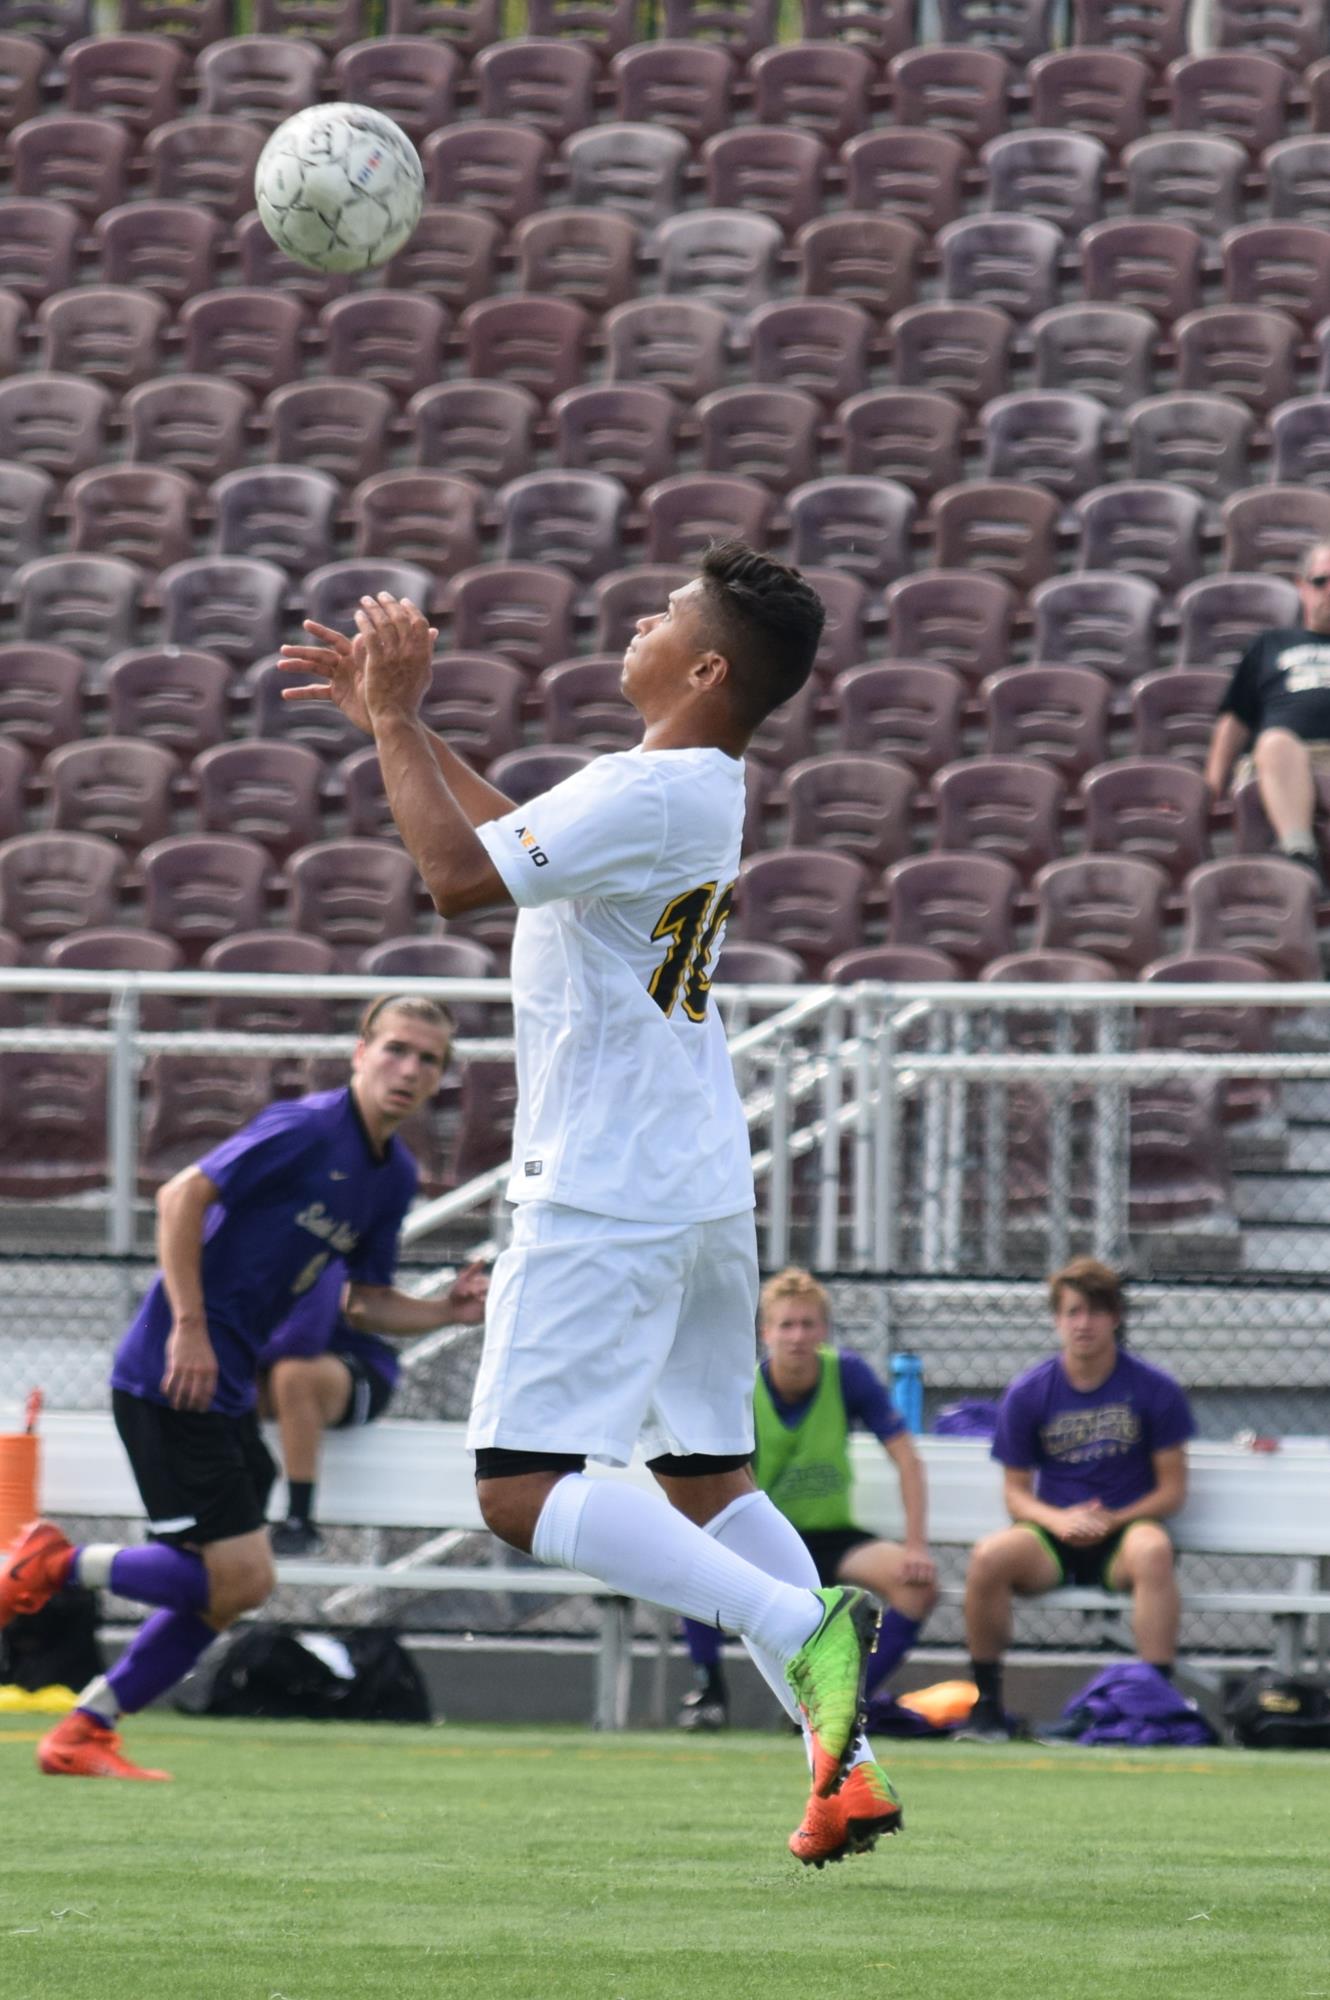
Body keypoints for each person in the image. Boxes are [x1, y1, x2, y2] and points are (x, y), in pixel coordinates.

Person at [275, 550, 902, 1869]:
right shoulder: (691, 787)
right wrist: (409, 730)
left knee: (515, 1491)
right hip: (694, 1182)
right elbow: (517, 846)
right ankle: (845, 1763)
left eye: (663, 615)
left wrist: (394, 720)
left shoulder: (644, 785)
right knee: (707, 1482)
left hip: (607, 1184)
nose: (639, 621)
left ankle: (798, 1629)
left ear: (708, 667)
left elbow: (455, 882)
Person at [0, 996, 487, 1780]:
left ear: (440, 1081)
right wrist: (188, 1325)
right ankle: (51, 1565)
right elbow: (179, 1196)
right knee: (246, 1577)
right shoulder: (306, 1128)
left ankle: (84, 1729)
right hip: (172, 1374)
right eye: (396, 1049)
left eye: (429, 1060)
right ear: (359, 1052)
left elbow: (364, 1300)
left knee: (225, 1592)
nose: (410, 1070)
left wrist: (445, 1312)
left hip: (226, 1387)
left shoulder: (392, 1175)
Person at [678, 1266, 937, 1733]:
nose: (797, 1336)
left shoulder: (848, 1375)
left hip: (834, 1540)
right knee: (695, 1562)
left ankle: (836, 1703)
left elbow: (907, 1459)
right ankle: (709, 1693)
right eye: (786, 1325)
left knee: (916, 1585)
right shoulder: (744, 1388)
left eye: (808, 1324)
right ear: (765, 1333)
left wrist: (916, 1544)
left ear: (824, 1330)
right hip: (769, 1537)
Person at [961, 1256, 1194, 1742]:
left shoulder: (1154, 1390)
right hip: (1054, 1537)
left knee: (1154, 1550)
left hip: (1123, 1535)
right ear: (1056, 1320)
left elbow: (1172, 1490)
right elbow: (1016, 1494)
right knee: (987, 1558)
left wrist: (1114, 1519)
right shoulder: (1029, 1392)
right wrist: (1059, 1519)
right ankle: (986, 1708)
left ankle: (1154, 1708)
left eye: (1093, 1311)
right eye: (1071, 1312)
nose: (1082, 1324)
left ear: (1115, 1317)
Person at [259, 1250, 485, 1556]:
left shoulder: (325, 1228)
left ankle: (299, 1521)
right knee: (208, 1379)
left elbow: (313, 1333)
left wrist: (446, 1310)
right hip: (267, 1366)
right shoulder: (229, 1228)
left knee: (293, 1374)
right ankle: (213, 1512)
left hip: (349, 1369)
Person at [1204, 540, 1330, 882]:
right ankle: (1301, 855)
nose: (1329, 591)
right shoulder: (1270, 644)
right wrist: (1211, 789)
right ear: (1302, 587)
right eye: (1321, 581)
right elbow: (1235, 718)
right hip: (1284, 759)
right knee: (1274, 743)